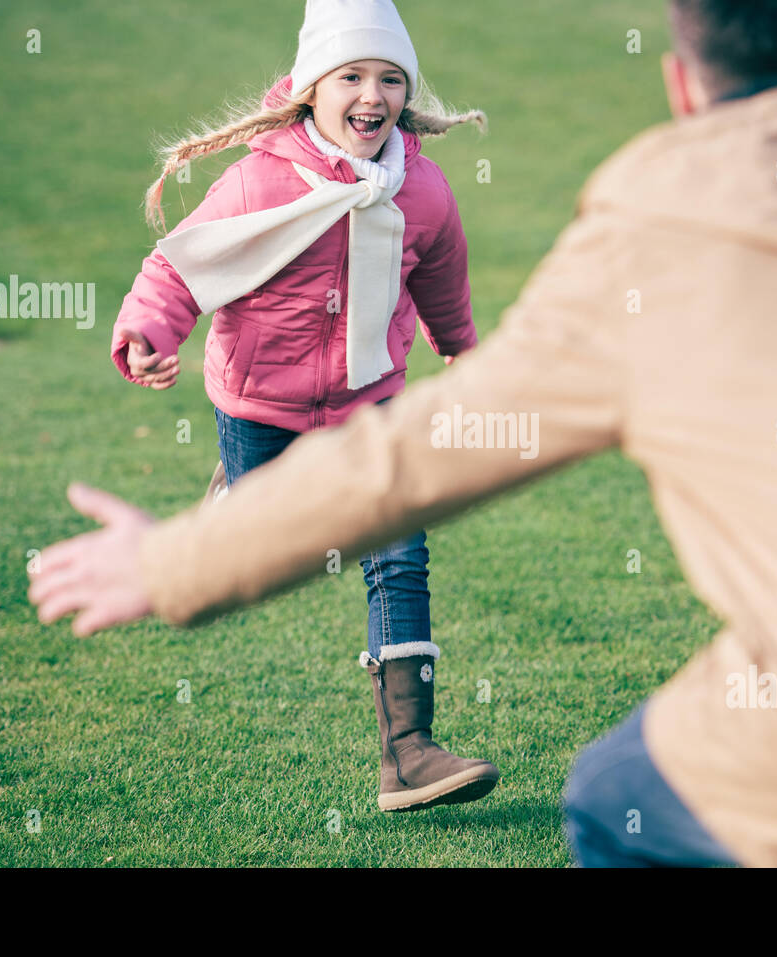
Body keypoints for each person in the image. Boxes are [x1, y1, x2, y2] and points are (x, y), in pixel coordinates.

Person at [31, 0, 777, 866]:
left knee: (616, 804)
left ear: (683, 85)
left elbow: (422, 452)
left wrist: (170, 562)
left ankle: (410, 744)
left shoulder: (650, 227)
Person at [106, 0, 499, 813]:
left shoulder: (419, 190)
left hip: (369, 402)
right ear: (310, 89)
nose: (373, 93)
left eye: (391, 78)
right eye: (351, 75)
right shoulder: (259, 180)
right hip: (261, 401)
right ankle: (233, 491)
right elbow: (181, 268)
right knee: (254, 546)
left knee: (397, 552)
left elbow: (440, 280)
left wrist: (459, 346)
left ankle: (409, 753)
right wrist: (147, 330)